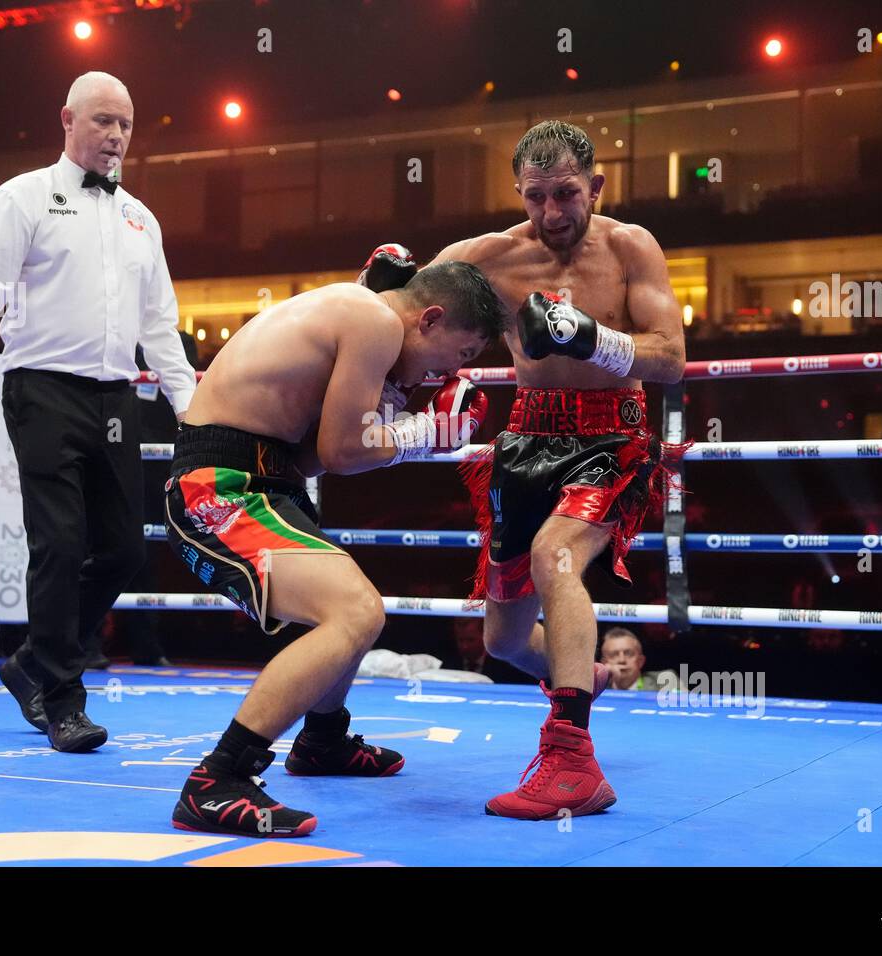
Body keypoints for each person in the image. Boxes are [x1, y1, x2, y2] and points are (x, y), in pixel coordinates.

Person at [164, 258, 503, 837]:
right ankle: (218, 780)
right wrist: (424, 434)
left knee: (351, 600)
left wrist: (397, 412)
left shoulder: (364, 322)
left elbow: (314, 455)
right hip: (219, 487)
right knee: (355, 610)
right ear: (431, 318)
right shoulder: (372, 320)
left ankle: (322, 739)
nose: (456, 370)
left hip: (269, 482)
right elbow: (347, 453)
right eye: (463, 353)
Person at [428, 120, 688, 820]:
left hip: (614, 438)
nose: (552, 213)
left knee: (557, 556)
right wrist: (379, 287)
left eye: (567, 194)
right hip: (527, 437)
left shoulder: (632, 248)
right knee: (505, 640)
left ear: (595, 186)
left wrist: (592, 339)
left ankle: (572, 758)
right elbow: (406, 314)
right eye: (536, 196)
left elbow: (668, 357)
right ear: (519, 192)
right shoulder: (486, 258)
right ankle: (586, 672)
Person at [0, 72, 198, 752]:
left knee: (121, 550)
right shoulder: (22, 196)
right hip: (40, 389)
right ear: (68, 120)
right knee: (58, 544)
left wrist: (196, 413)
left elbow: (161, 329)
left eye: (126, 125)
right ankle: (63, 699)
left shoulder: (141, 217)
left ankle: (33, 663)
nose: (115, 135)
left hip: (116, 398)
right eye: (103, 120)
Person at [598, 627, 678, 692]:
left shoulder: (666, 681)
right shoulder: (595, 688)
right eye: (614, 655)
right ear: (604, 663)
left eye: (628, 653)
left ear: (640, 661)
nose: (622, 660)